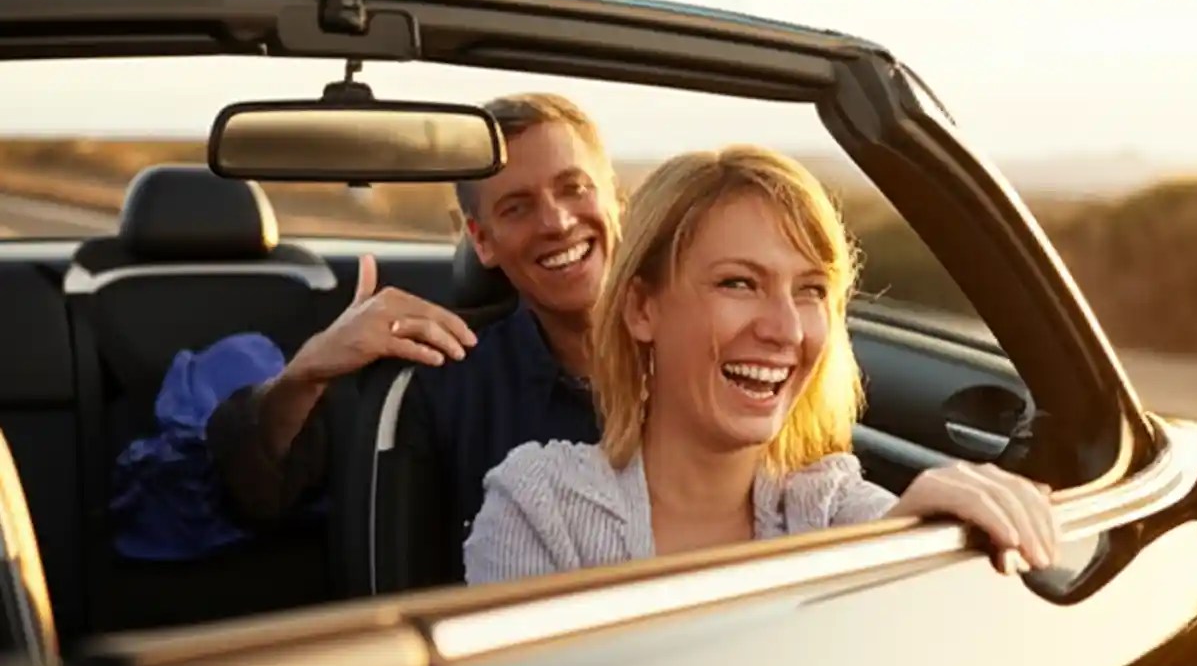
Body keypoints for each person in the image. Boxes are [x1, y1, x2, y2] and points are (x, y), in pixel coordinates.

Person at [463, 145, 1060, 584]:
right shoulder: (540, 508)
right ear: (643, 308)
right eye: (739, 283)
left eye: (809, 291)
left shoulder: (828, 505)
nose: (785, 330)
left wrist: (909, 536)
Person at [208, 93, 622, 570]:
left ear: (615, 198)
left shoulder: (696, 349)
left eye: (574, 188)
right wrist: (308, 372)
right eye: (516, 208)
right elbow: (251, 493)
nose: (557, 221)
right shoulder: (440, 380)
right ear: (482, 241)